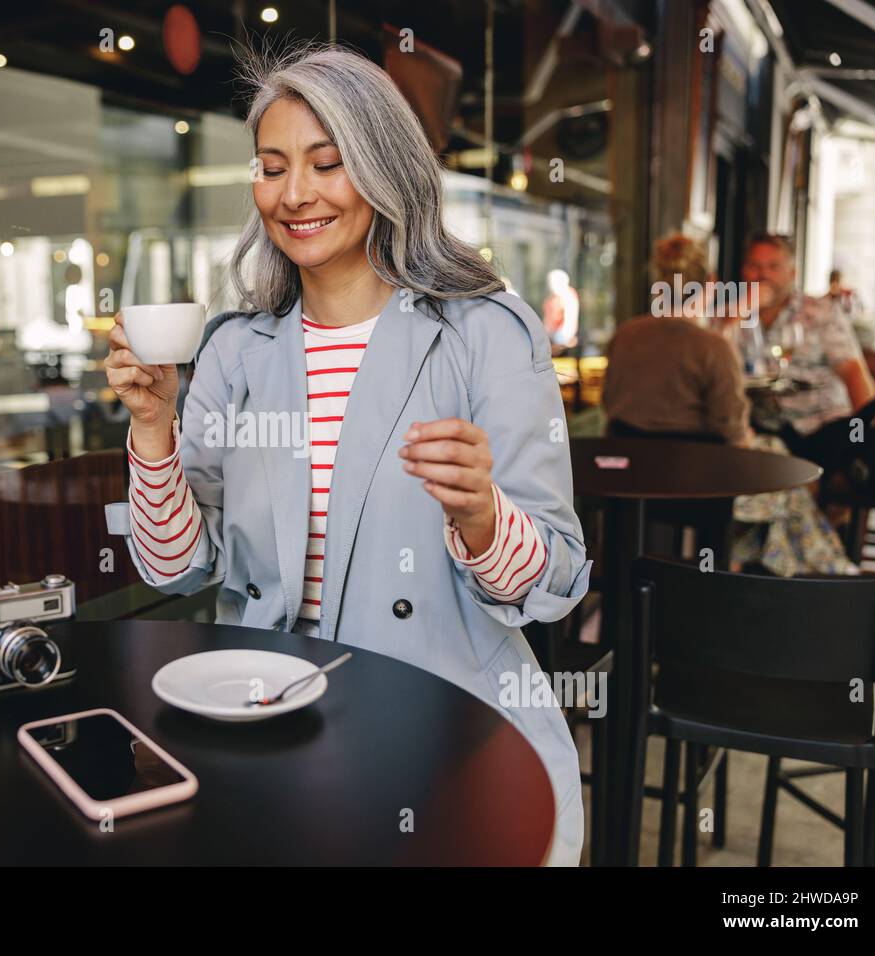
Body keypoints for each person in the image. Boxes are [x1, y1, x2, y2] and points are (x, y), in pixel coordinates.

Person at [104, 43, 590, 865]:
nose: (294, 194)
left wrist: (481, 515)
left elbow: (554, 584)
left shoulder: (485, 334)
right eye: (271, 167)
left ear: (384, 170)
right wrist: (154, 430)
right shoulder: (233, 350)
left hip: (447, 722)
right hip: (261, 716)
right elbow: (177, 568)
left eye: (327, 164)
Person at [737, 234, 875, 466]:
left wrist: (868, 438)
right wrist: (738, 314)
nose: (763, 275)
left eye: (773, 267)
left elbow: (853, 372)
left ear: (792, 274)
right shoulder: (732, 315)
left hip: (821, 424)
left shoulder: (820, 312)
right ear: (744, 271)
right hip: (763, 426)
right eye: (755, 266)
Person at [603, 234, 750, 446]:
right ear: (711, 283)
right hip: (694, 472)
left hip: (627, 467)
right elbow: (732, 431)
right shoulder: (715, 348)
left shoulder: (624, 335)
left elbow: (610, 405)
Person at [541, 269, 579, 351]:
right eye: (550, 282)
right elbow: (547, 321)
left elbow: (569, 323)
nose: (551, 285)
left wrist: (559, 338)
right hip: (550, 336)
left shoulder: (569, 297)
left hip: (561, 338)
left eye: (553, 282)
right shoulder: (550, 299)